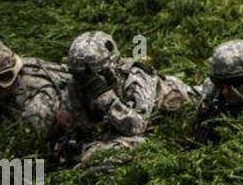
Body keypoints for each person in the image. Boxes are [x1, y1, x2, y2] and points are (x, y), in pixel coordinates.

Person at [64, 31, 198, 162]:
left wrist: (105, 96)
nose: (85, 80)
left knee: (130, 145)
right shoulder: (79, 83)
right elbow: (87, 125)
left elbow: (137, 126)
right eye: (78, 74)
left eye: (93, 74)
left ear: (110, 67)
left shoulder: (135, 77)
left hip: (184, 105)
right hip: (147, 123)